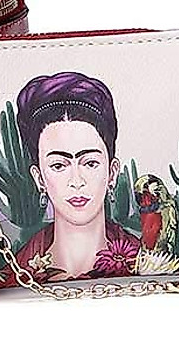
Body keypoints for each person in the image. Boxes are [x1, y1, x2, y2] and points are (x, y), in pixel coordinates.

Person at [13, 71, 131, 279]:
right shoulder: (13, 276)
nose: (77, 181)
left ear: (112, 172)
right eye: (59, 165)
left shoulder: (147, 264)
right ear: (39, 178)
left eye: (90, 163)